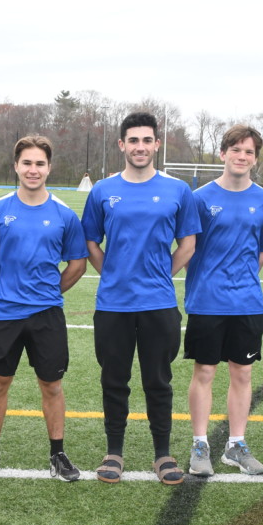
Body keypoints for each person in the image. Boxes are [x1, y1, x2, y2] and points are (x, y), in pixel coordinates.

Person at [81, 111, 201, 485]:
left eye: (147, 140)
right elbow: (89, 242)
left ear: (156, 145)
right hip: (113, 304)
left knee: (158, 381)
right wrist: (112, 272)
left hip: (159, 304)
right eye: (133, 140)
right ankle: (113, 451)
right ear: (122, 145)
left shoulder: (177, 190)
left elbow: (189, 243)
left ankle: (162, 454)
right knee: (114, 379)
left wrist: (163, 274)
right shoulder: (103, 190)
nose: (140, 147)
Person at [0, 136, 87, 481]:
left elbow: (77, 264)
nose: (33, 170)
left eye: (40, 164)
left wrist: (49, 291)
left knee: (51, 385)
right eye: (27, 163)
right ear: (16, 166)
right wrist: (4, 288)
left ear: (50, 168)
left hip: (47, 314)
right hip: (5, 312)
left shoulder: (63, 214)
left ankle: (58, 454)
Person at [183, 125, 263, 477]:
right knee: (205, 371)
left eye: (249, 152)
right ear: (223, 153)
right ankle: (200, 444)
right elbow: (188, 247)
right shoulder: (198, 198)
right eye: (236, 149)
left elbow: (261, 253)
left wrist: (239, 281)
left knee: (243, 372)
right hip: (207, 301)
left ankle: (236, 445)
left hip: (248, 304)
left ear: (255, 158)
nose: (242, 156)